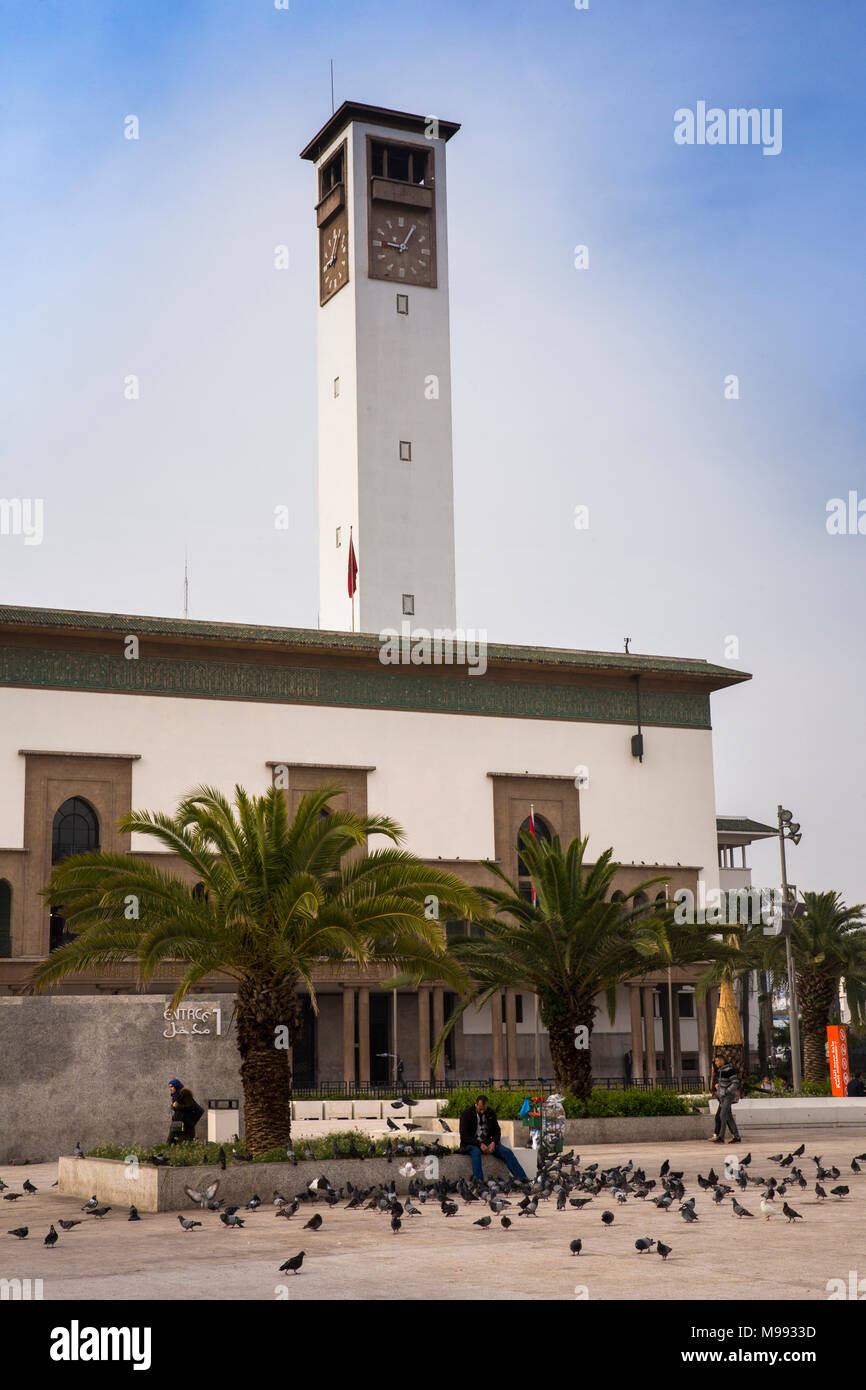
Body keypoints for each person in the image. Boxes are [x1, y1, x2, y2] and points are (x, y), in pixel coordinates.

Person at [459, 1094, 528, 1183]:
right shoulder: (466, 1114)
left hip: (488, 1143)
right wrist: (479, 1144)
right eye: (480, 1109)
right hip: (471, 1144)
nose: (482, 1111)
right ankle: (480, 1182)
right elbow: (464, 1136)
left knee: (506, 1152)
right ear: (475, 1104)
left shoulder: (490, 1113)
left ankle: (522, 1178)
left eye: (484, 1108)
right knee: (476, 1152)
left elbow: (497, 1131)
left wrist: (493, 1142)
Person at [711, 1054, 742, 1144]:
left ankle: (721, 1137)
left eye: (717, 1061)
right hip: (722, 1097)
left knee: (722, 1115)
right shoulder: (720, 1071)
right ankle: (736, 1137)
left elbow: (735, 1082)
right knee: (728, 1117)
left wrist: (727, 1091)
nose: (715, 1063)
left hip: (728, 1096)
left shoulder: (729, 1070)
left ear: (721, 1060)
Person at [167, 1078, 201, 1144]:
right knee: (170, 1142)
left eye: (172, 1086)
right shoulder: (176, 1096)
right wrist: (173, 1106)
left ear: (176, 1086)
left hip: (185, 1125)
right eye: (169, 1087)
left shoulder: (185, 1094)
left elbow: (190, 1106)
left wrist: (177, 1106)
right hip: (177, 1124)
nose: (170, 1089)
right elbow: (177, 1108)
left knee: (183, 1143)